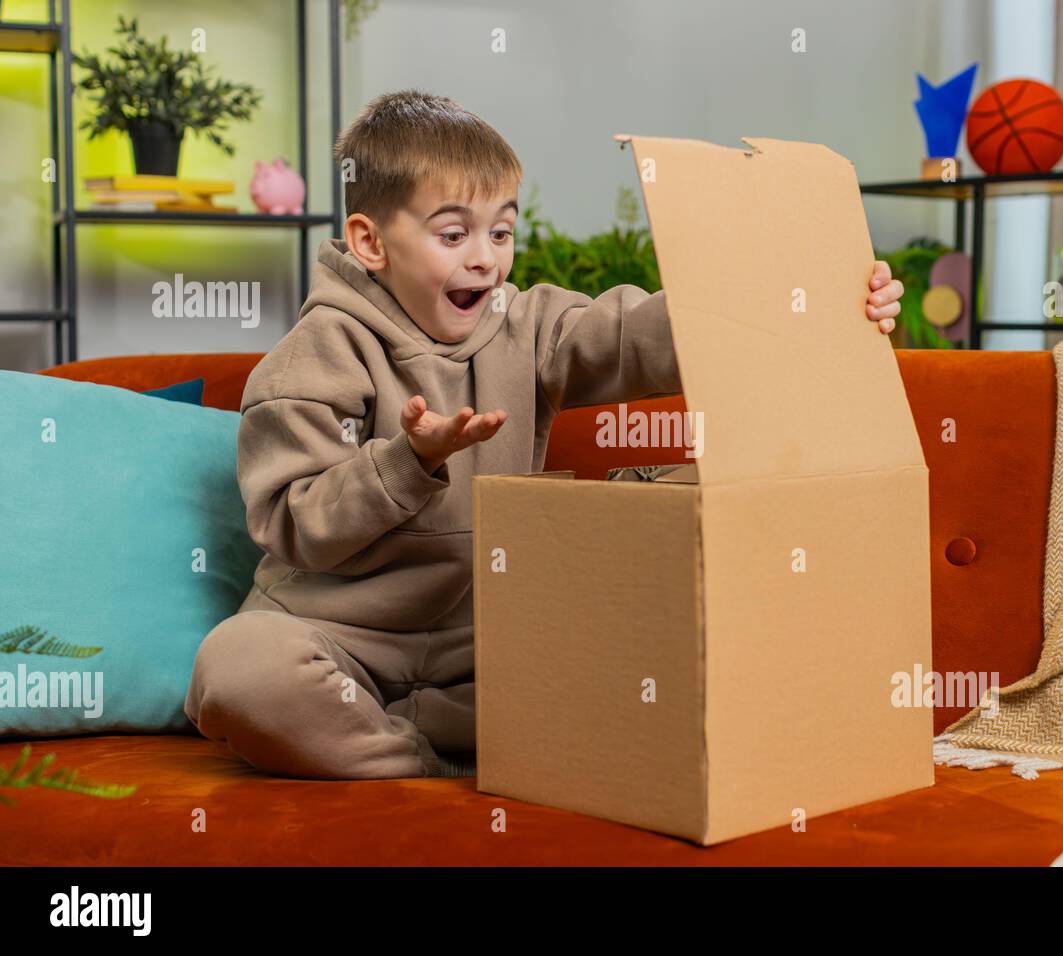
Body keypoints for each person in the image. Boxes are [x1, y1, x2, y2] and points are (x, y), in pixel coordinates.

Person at [183, 90, 906, 779]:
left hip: (485, 647)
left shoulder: (527, 326)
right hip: (338, 637)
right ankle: (424, 764)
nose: (485, 258)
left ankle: (447, 729)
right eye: (454, 233)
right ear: (370, 241)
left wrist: (799, 300)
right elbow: (296, 523)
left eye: (502, 231)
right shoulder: (310, 358)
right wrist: (409, 460)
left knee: (648, 675)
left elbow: (635, 335)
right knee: (243, 670)